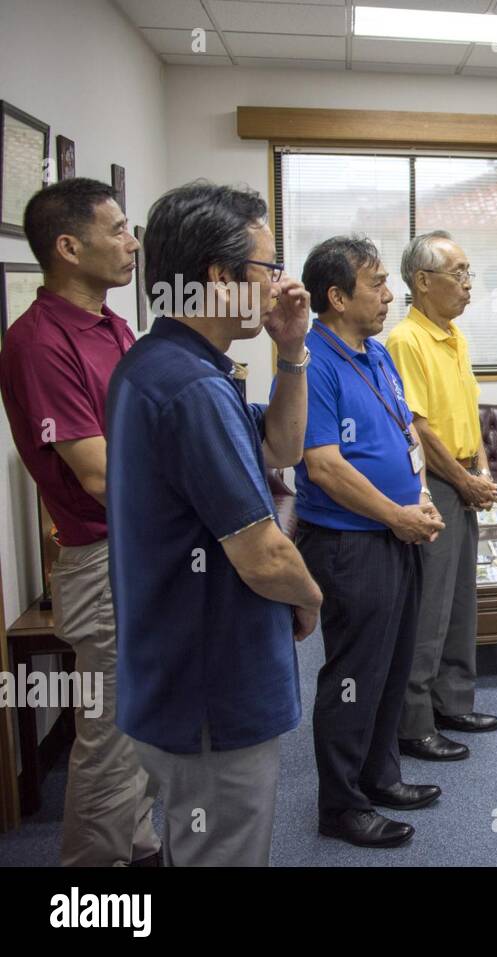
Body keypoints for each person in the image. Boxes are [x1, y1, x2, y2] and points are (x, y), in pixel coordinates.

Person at [106, 182, 322, 866]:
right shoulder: (191, 387)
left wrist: (292, 352)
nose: (277, 285)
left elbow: (282, 448)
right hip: (209, 688)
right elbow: (263, 555)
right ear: (219, 276)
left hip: (174, 672)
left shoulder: (159, 361)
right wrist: (313, 595)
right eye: (265, 268)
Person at [0, 179, 160, 867]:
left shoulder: (112, 323)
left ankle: (140, 845)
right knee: (111, 736)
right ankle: (91, 886)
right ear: (69, 247)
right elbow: (98, 472)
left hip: (145, 548)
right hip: (103, 559)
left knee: (146, 724)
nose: (132, 243)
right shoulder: (37, 342)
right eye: (120, 229)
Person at [294, 235, 445, 849]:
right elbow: (324, 465)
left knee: (391, 665)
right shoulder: (313, 360)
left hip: (398, 531)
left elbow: (406, 429)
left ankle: (381, 776)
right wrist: (396, 515)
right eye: (377, 283)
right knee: (354, 674)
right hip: (350, 542)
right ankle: (341, 805)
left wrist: (423, 497)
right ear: (336, 295)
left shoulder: (375, 353)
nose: (390, 293)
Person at [387, 233, 497, 764]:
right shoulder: (404, 341)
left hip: (461, 480)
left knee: (460, 603)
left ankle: (452, 703)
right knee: (429, 610)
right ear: (422, 282)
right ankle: (413, 723)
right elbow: (417, 425)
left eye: (469, 272)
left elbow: (465, 413)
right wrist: (462, 479)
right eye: (458, 273)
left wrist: (481, 467)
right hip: (435, 485)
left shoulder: (454, 336)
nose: (467, 284)